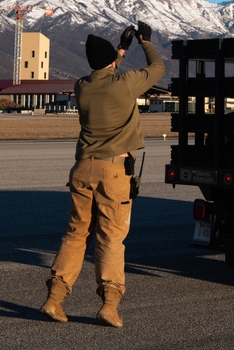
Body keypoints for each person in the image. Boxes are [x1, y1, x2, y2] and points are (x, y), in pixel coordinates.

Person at [40, 20, 164, 327]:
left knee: (76, 234)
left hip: (82, 168)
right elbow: (158, 68)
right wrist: (145, 42)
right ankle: (109, 305)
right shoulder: (125, 84)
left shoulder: (82, 87)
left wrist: (120, 49)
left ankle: (54, 299)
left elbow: (103, 67)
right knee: (111, 238)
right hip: (113, 171)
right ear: (112, 63)